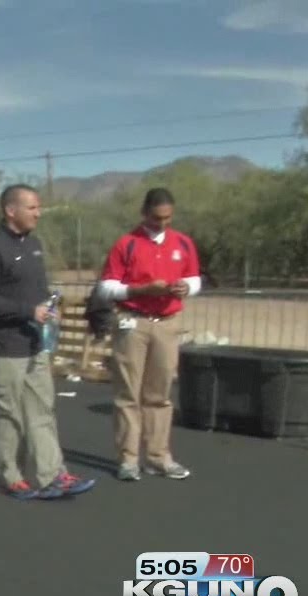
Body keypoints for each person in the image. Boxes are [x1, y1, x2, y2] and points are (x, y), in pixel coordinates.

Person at [0, 184, 96, 501]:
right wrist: (28, 310)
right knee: (8, 416)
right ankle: (10, 477)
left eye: (39, 208)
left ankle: (52, 475)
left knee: (42, 411)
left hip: (34, 344)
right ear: (11, 210)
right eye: (32, 208)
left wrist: (49, 309)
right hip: (3, 347)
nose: (38, 213)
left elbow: (36, 292)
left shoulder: (35, 246)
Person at [96, 187, 202, 482]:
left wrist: (186, 288)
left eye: (168, 218)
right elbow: (106, 287)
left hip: (168, 323)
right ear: (144, 214)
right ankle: (128, 459)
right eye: (157, 219)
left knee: (160, 394)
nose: (162, 224)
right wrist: (140, 290)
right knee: (128, 393)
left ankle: (158, 457)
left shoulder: (183, 243)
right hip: (133, 321)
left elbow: (195, 279)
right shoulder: (126, 244)